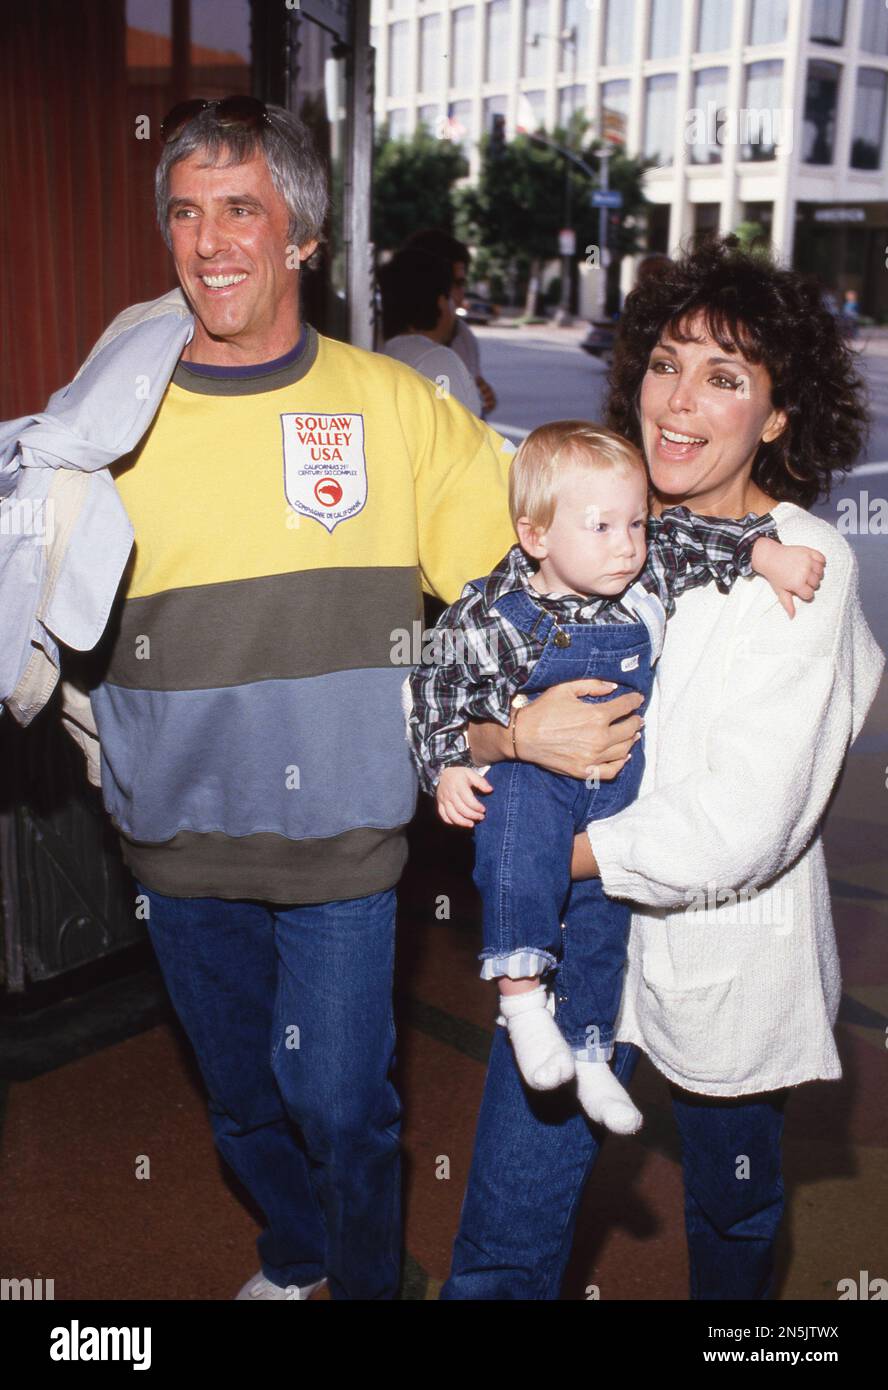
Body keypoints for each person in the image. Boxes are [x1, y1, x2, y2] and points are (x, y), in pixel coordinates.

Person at [18, 97, 519, 1302]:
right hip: (174, 834)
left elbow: (517, 570)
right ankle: (294, 1257)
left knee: (344, 1104)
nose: (209, 240)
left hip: (343, 834)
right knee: (242, 1096)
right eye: (185, 213)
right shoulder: (105, 422)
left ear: (299, 234)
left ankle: (359, 1282)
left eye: (241, 207)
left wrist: (717, 541)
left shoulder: (395, 406)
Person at [440, 236, 884, 1300]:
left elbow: (743, 824)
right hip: (566, 960)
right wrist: (504, 740)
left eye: (725, 377)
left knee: (732, 1216)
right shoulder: (597, 513)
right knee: (504, 1239)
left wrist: (539, 857)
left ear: (777, 417)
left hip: (725, 948)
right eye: (666, 362)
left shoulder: (805, 566)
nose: (679, 402)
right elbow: (473, 686)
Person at [407, 421, 823, 1135]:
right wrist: (446, 764)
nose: (628, 543)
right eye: (601, 526)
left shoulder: (642, 576)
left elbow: (695, 538)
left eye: (635, 521)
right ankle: (520, 998)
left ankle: (592, 1053)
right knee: (517, 842)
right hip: (535, 792)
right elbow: (432, 684)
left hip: (614, 799)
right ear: (536, 537)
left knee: (603, 928)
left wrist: (766, 555)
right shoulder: (497, 613)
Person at [405, 228, 497, 415]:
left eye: (461, 284)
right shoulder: (385, 335)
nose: (459, 295)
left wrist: (480, 397)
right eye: (454, 284)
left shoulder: (463, 336)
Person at [379, 248, 481, 414]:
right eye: (450, 298)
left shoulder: (383, 351)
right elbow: (455, 432)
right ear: (441, 302)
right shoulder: (440, 360)